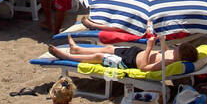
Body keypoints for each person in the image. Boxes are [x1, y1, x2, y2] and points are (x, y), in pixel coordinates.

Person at [49, 34, 198, 71]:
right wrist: (162, 41)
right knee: (108, 48)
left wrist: (149, 48)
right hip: (134, 52)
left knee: (100, 57)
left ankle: (66, 56)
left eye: (177, 49)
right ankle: (77, 49)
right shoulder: (173, 54)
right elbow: (165, 52)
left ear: (181, 56)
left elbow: (144, 67)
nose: (175, 48)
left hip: (129, 63)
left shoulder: (170, 63)